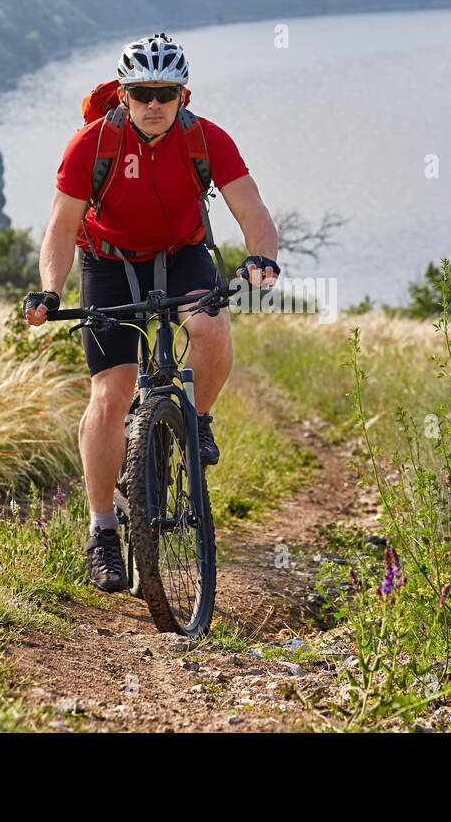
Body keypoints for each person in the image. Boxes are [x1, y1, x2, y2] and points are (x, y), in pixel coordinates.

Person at [23, 32, 280, 593]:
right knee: (110, 396)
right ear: (123, 94)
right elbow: (62, 229)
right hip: (109, 263)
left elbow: (252, 207)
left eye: (166, 92)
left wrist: (262, 256)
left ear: (183, 95)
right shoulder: (91, 146)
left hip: (182, 254)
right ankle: (102, 532)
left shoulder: (205, 140)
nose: (155, 105)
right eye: (143, 94)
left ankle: (198, 421)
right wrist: (49, 290)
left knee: (210, 327)